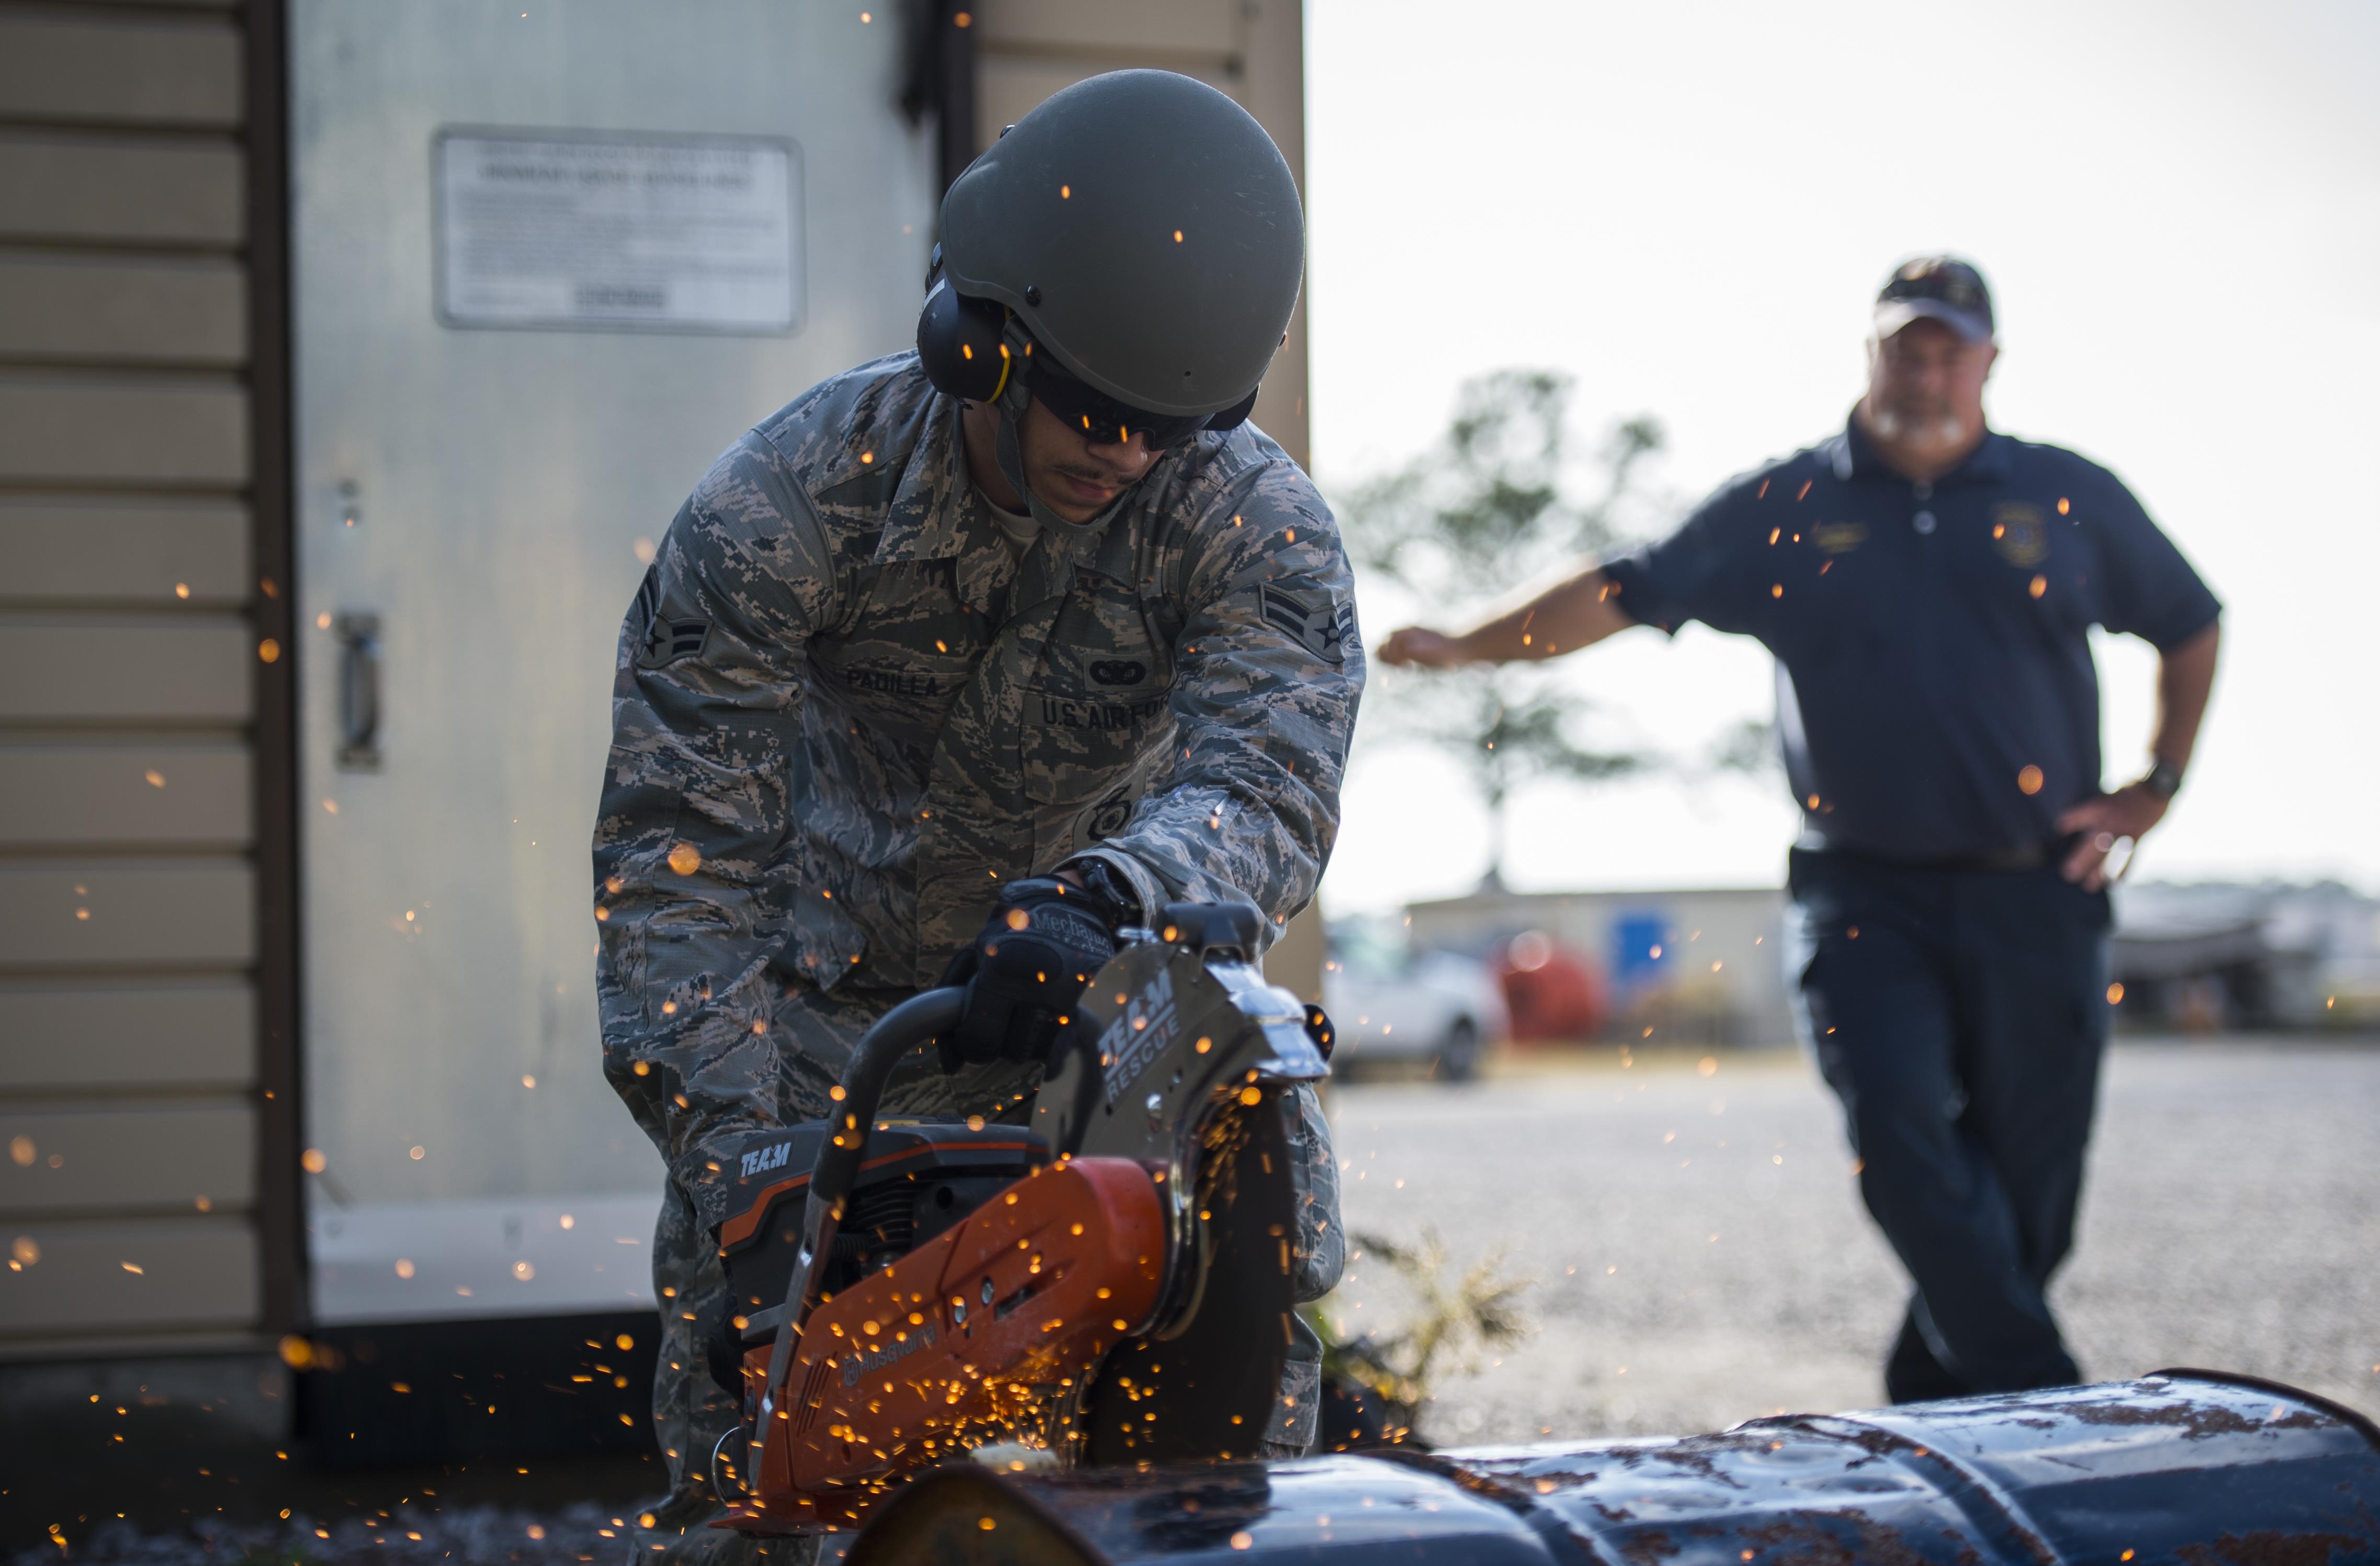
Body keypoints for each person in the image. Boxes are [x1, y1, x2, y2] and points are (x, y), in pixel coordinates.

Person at [592, 71, 1359, 1553]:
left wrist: (1114, 892)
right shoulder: (789, 510)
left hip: (1112, 995)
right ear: (979, 336)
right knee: (762, 1483)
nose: (1120, 454)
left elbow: (1265, 776)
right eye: (1086, 407)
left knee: (1223, 1443)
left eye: (1162, 424)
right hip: (824, 1031)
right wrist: (744, 1159)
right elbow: (678, 867)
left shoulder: (1253, 525)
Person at [1380, 257, 2221, 1404]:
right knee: (1906, 1143)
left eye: (1948, 351)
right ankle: (2051, 1402)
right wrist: (1471, 647)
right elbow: (1626, 589)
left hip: (2041, 890)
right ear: (1871, 353)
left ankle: (1937, 1403)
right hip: (1865, 896)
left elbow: (2190, 620)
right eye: (1904, 348)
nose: (1925, 372)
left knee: (2033, 1194)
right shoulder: (1790, 509)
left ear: (1988, 363)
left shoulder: (2067, 499)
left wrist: (2157, 783)